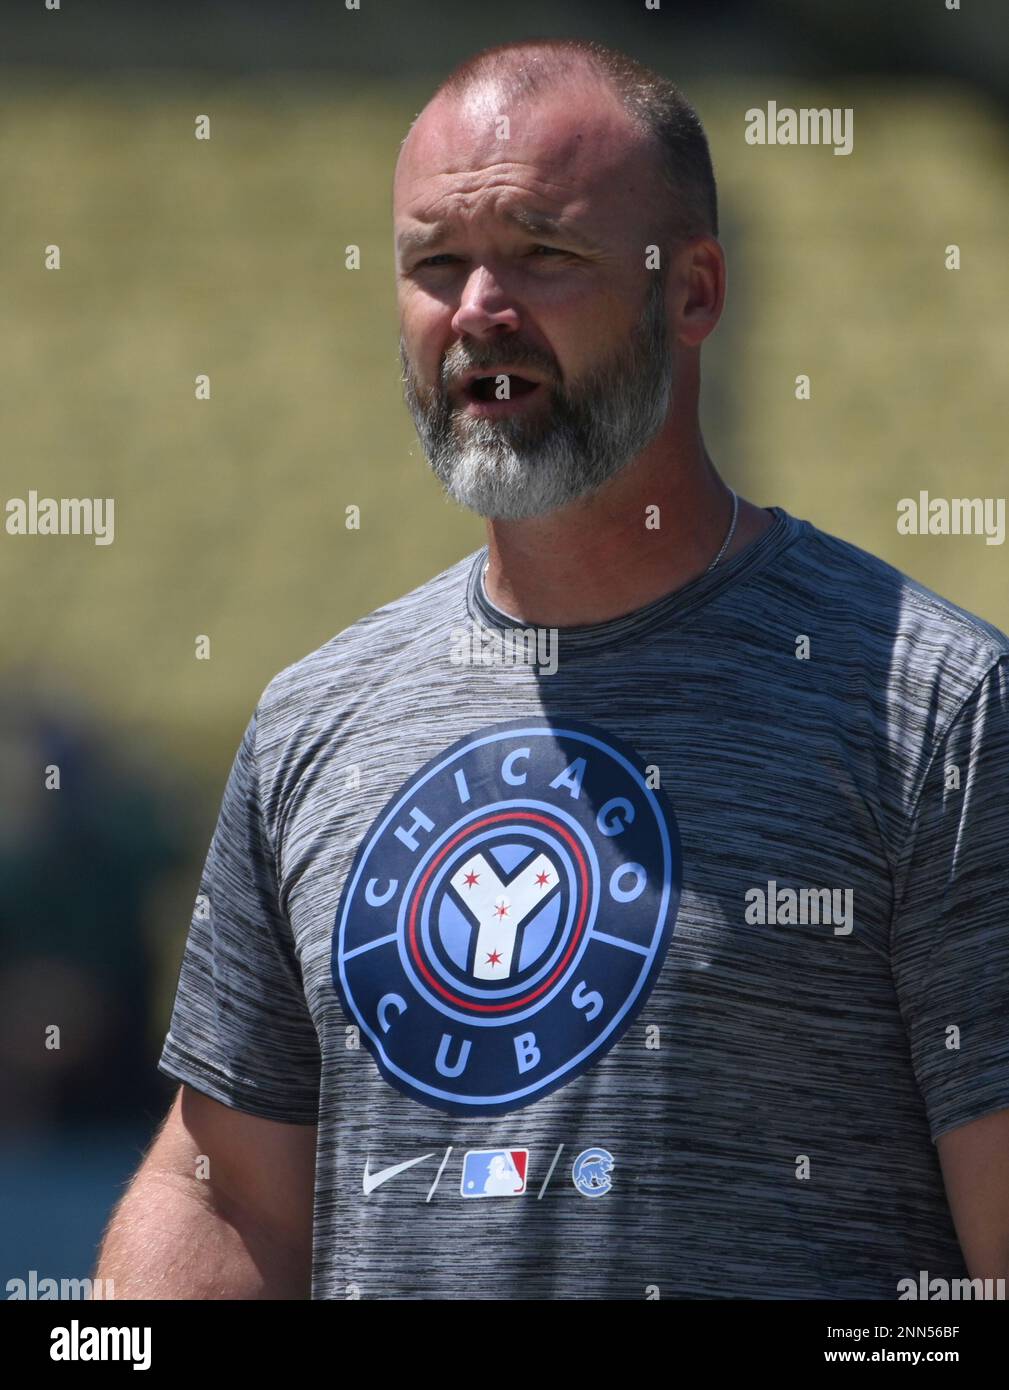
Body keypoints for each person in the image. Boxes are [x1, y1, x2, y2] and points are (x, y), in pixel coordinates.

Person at [96, 38, 1009, 1300]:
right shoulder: (316, 718)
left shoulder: (934, 705)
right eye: (436, 264)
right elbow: (229, 1191)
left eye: (544, 254)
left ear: (693, 292)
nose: (479, 308)